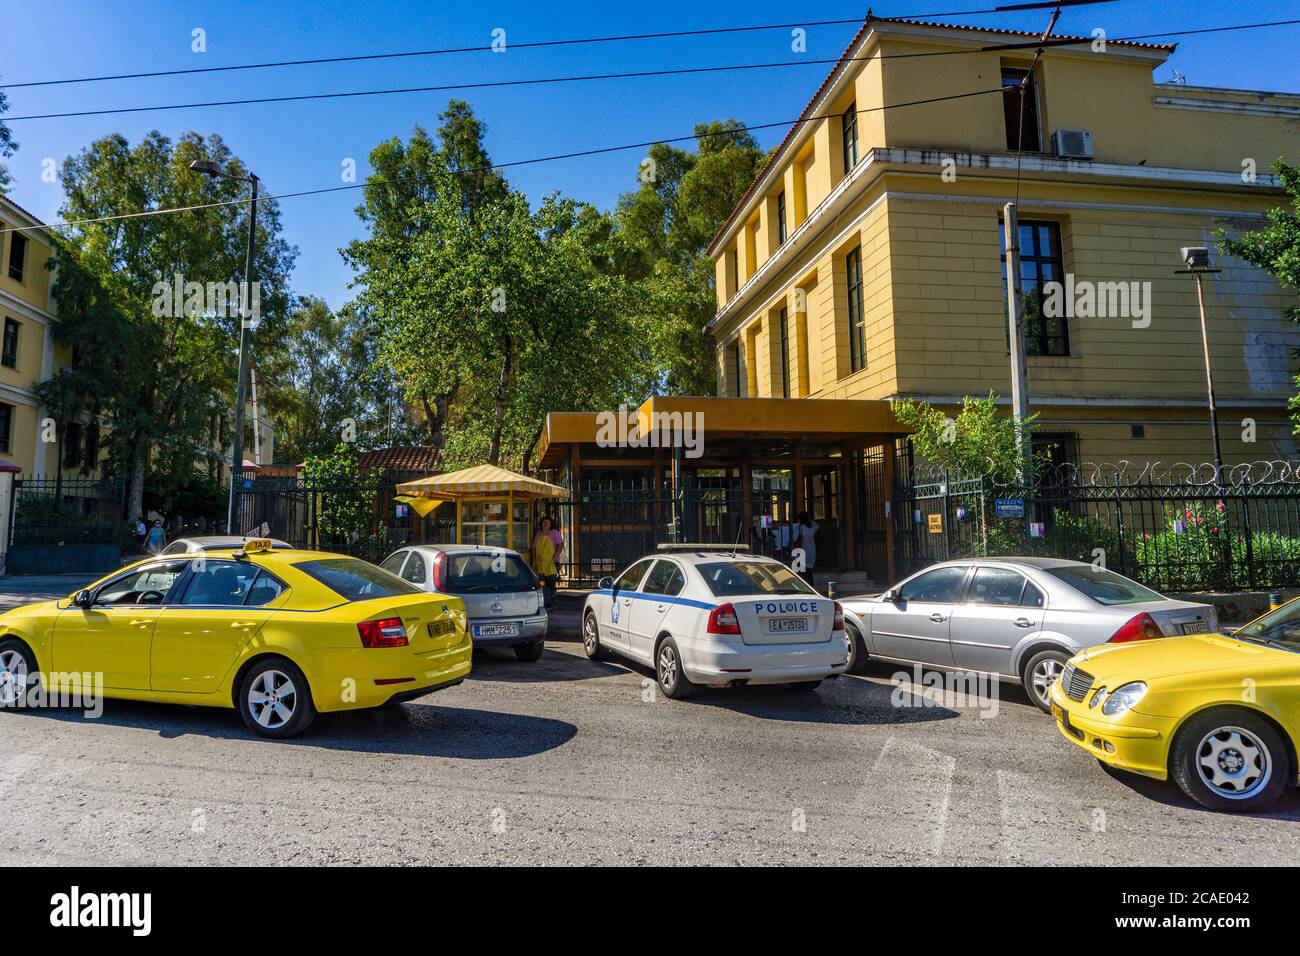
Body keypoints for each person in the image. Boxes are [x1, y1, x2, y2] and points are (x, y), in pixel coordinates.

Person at [531, 516, 564, 609]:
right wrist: (534, 561)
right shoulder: (538, 534)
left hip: (552, 564)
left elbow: (560, 544)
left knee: (551, 583)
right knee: (542, 584)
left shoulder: (554, 533)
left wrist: (555, 556)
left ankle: (552, 603)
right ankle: (546, 603)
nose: (545, 524)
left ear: (551, 524)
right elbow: (533, 548)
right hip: (540, 565)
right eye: (544, 522)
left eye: (547, 523)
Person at [790, 511, 819, 589]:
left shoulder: (799, 528)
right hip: (811, 551)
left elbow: (794, 539)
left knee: (800, 573)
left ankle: (802, 588)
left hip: (800, 552)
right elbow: (817, 525)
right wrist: (809, 520)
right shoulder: (812, 528)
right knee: (809, 572)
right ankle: (811, 588)